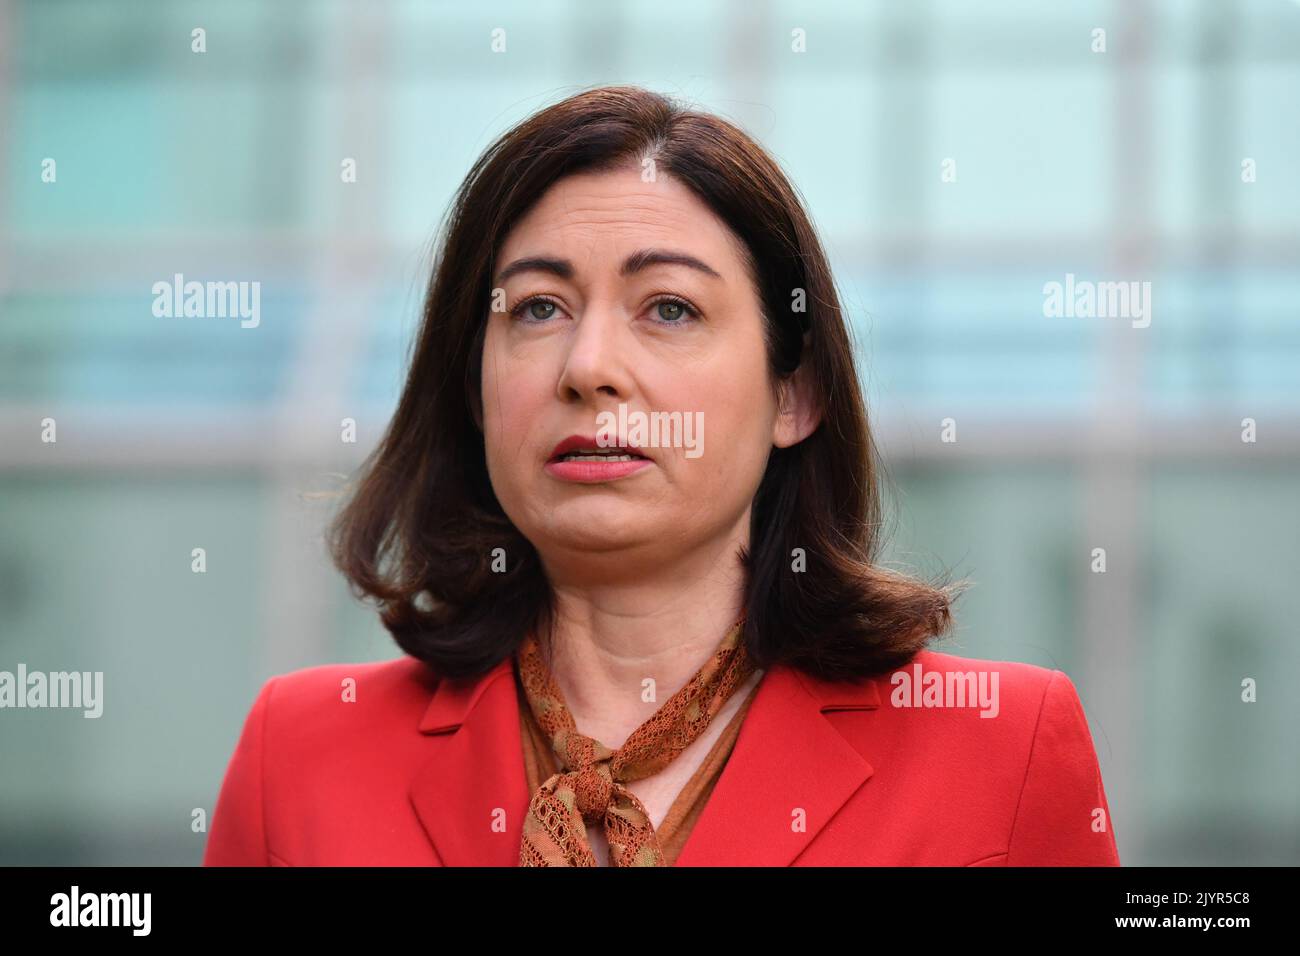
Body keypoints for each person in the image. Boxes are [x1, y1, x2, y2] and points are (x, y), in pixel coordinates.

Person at [203, 85, 1119, 867]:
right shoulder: (300, 755)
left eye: (670, 307)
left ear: (794, 392)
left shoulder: (1002, 754)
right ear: (476, 389)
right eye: (537, 308)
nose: (587, 364)